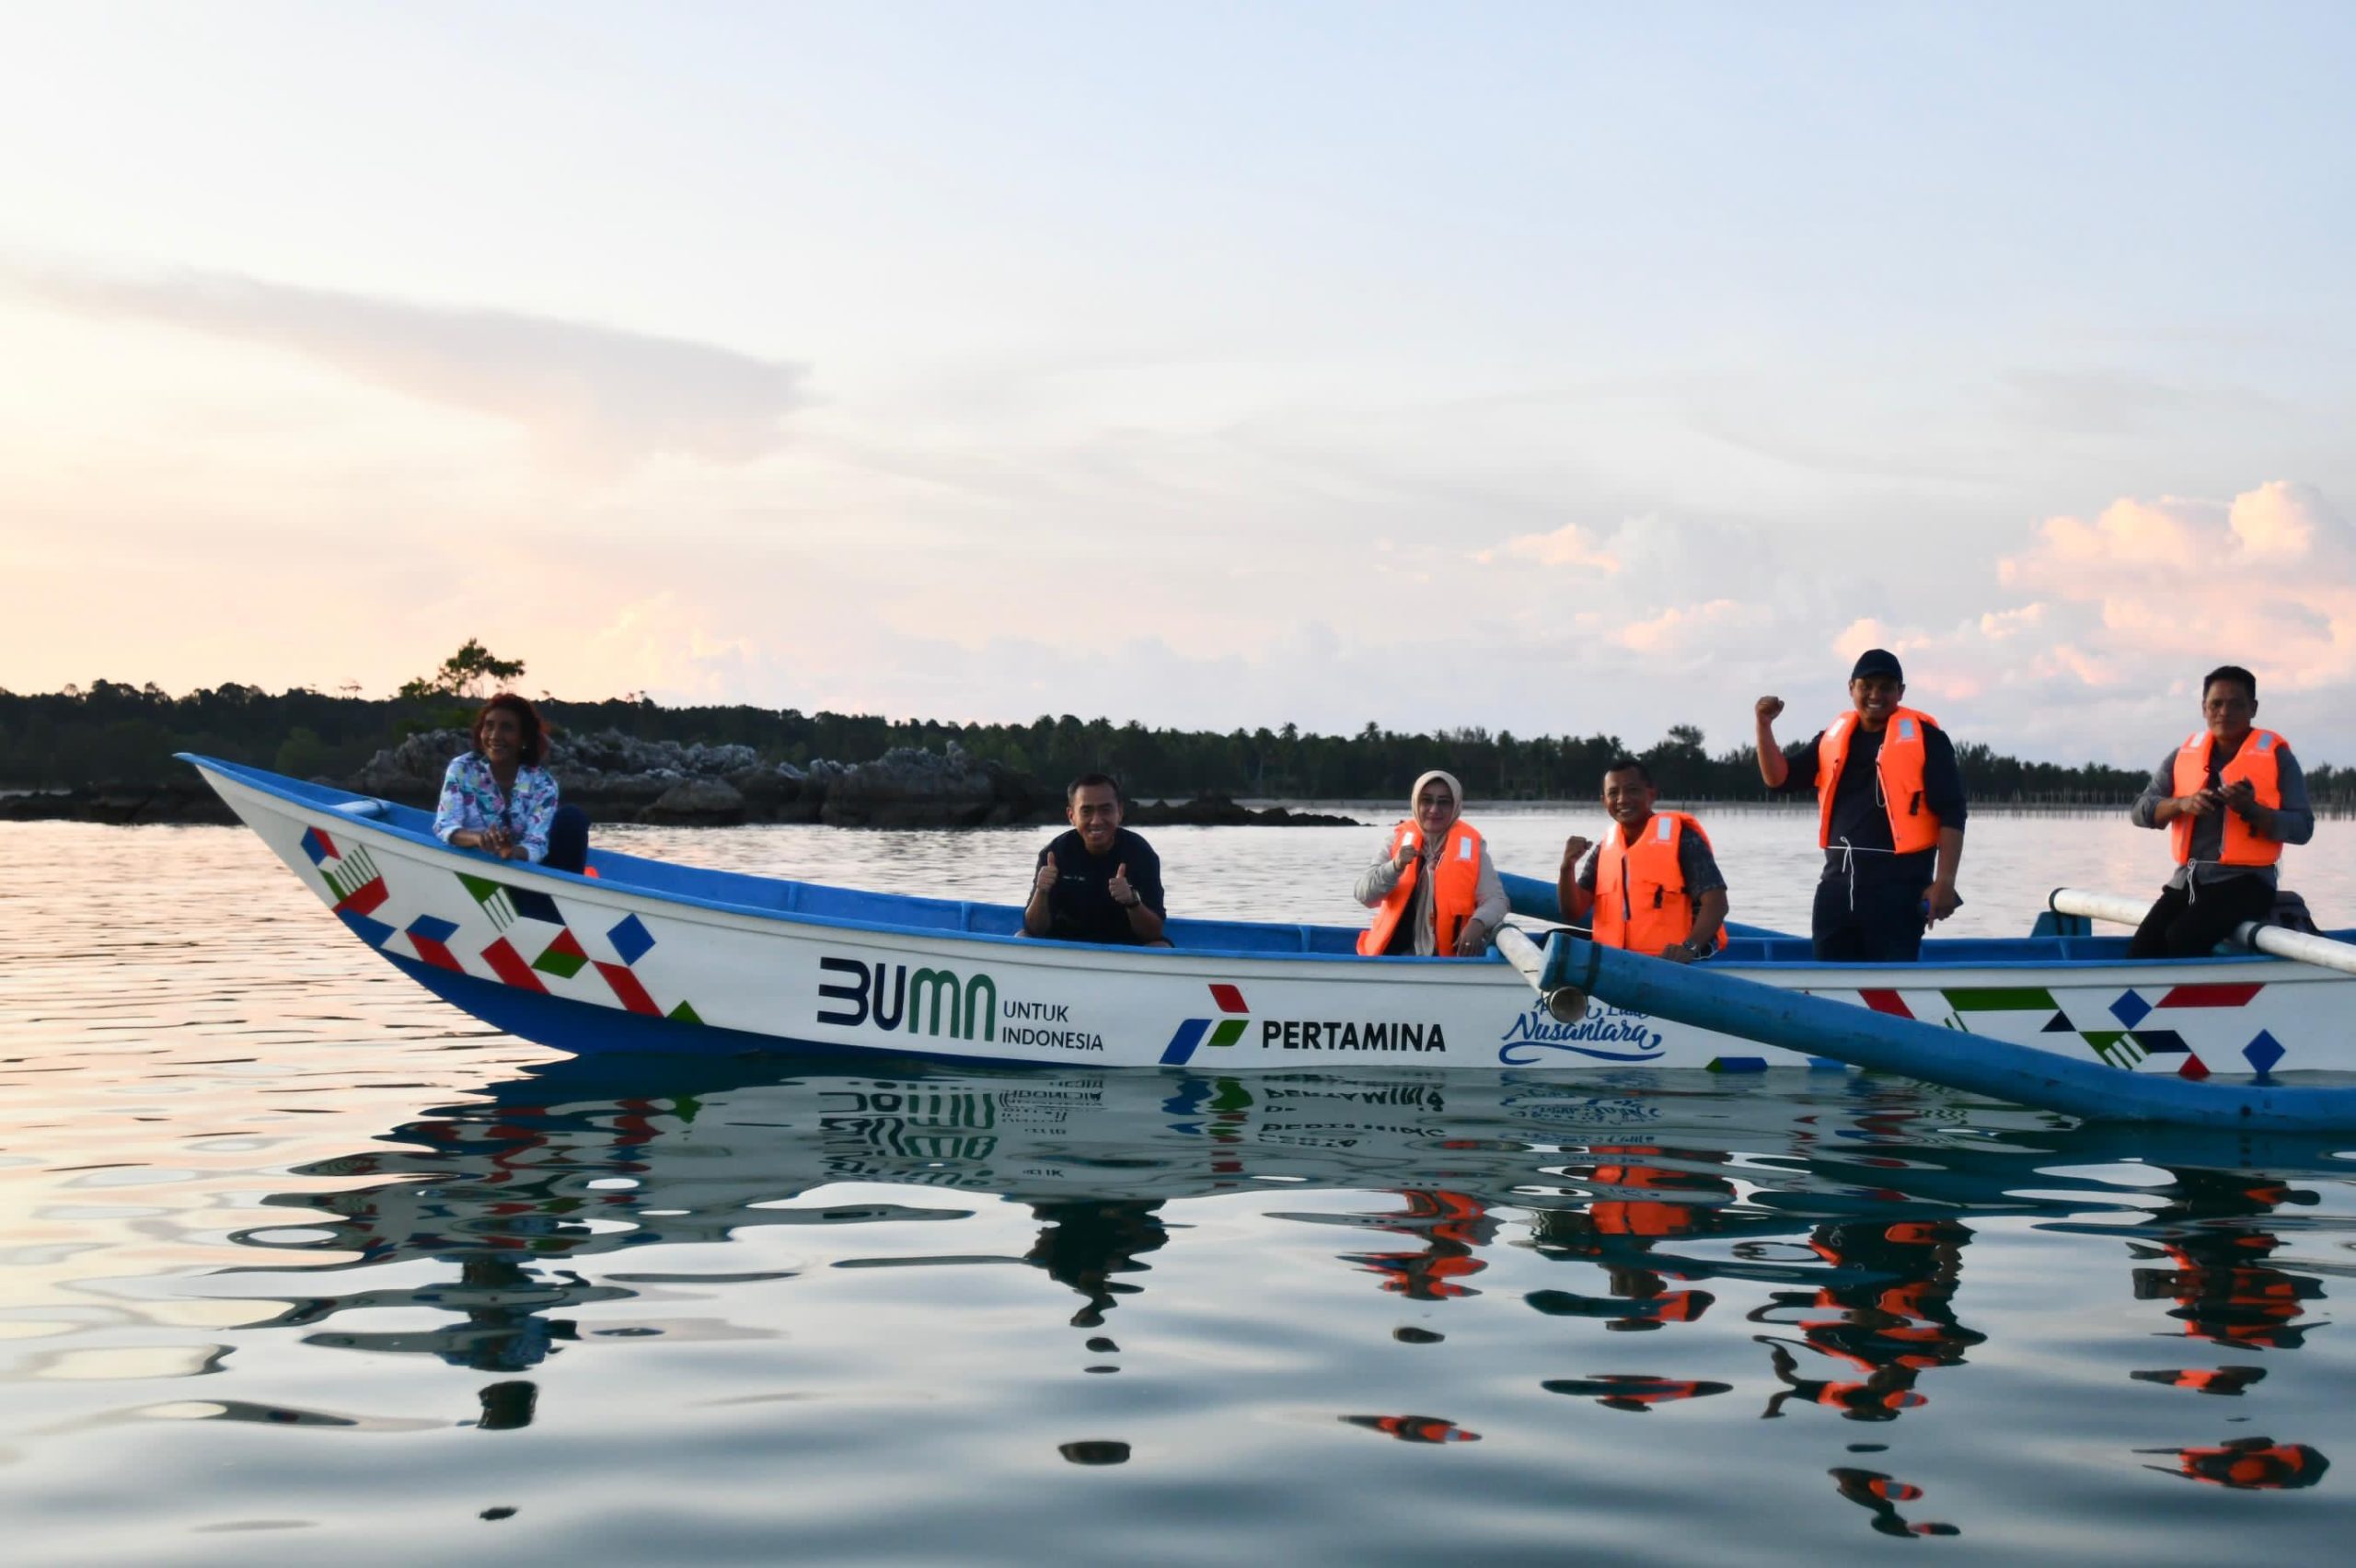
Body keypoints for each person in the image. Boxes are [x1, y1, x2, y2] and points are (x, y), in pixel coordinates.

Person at [1754, 649, 1966, 962]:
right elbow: (1779, 779)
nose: (1875, 695)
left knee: (1889, 985)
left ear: (1901, 692)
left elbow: (1953, 811)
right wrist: (1764, 724)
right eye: (1867, 686)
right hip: (1836, 889)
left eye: (1886, 687)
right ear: (1851, 687)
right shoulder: (1831, 739)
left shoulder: (1928, 740)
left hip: (1899, 892)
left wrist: (1944, 882)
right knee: (1830, 981)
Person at [2126, 664, 2313, 958]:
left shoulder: (2279, 758)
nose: (2224, 711)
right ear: (2204, 708)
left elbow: (2303, 828)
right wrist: (2181, 804)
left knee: (2181, 939)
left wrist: (2250, 810)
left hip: (2247, 884)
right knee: (2141, 953)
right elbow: (2140, 811)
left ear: (2253, 708)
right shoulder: (2182, 756)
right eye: (2216, 703)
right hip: (2188, 881)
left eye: (2236, 704)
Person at [1555, 756, 1729, 962]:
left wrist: (1688, 948)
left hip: (1670, 963)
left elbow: (1717, 904)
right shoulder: (1604, 848)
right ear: (1604, 801)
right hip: (1613, 964)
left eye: (1632, 790)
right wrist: (1567, 867)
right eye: (1613, 793)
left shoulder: (1683, 838)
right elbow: (1572, 911)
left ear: (1651, 794)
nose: (1622, 799)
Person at [1355, 770, 1508, 957]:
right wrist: (1395, 867)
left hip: (1449, 959)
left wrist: (1478, 923)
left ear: (1456, 806)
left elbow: (1497, 901)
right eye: (1426, 800)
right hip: (1395, 955)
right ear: (1415, 802)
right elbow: (1364, 896)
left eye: (1444, 802)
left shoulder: (1472, 847)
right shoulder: (1395, 840)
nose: (1434, 810)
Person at [433, 693, 589, 873]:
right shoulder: (462, 768)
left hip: (523, 876)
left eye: (507, 728)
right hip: (470, 868)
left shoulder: (543, 783)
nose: (495, 735)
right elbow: (446, 825)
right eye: (489, 726)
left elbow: (536, 844)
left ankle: (566, 895)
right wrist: (479, 839)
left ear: (524, 738)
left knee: (571, 817)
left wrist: (511, 852)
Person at [1025, 774, 1169, 946]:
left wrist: (1132, 902)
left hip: (1126, 948)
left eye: (1105, 810)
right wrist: (1042, 892)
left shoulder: (1141, 854)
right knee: (1021, 938)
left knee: (1160, 946)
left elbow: (1154, 933)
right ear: (1071, 816)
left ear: (1120, 812)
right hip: (1064, 946)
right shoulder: (1053, 855)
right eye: (1086, 811)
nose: (1096, 821)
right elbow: (1034, 929)